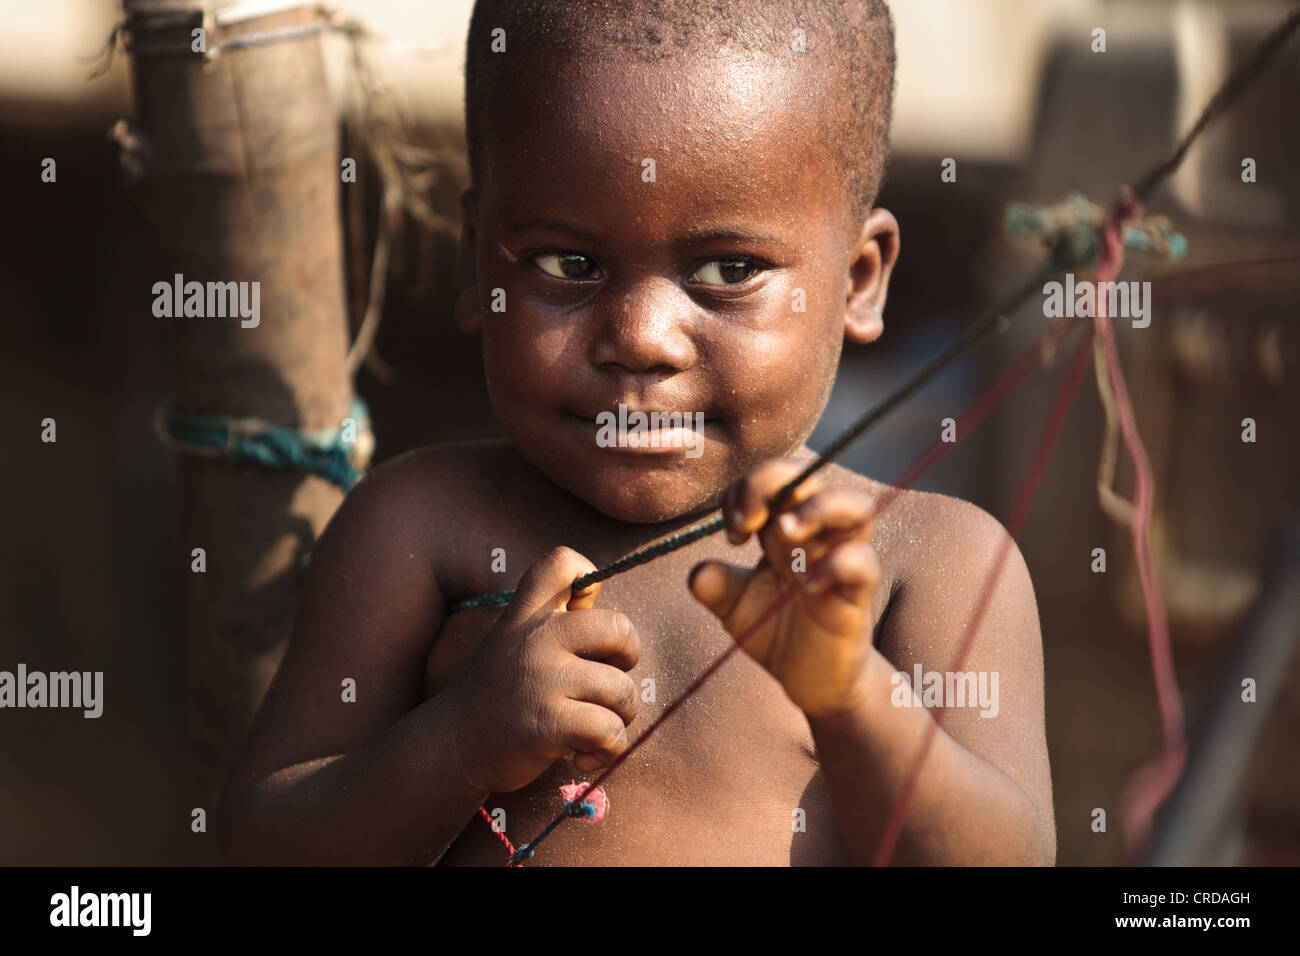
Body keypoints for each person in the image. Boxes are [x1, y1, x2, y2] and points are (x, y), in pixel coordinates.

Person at [217, 0, 1055, 866]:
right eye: (566, 266)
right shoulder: (417, 528)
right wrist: (460, 745)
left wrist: (853, 699)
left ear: (858, 281)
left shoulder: (928, 562)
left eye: (728, 271)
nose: (642, 339)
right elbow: (260, 848)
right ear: (478, 263)